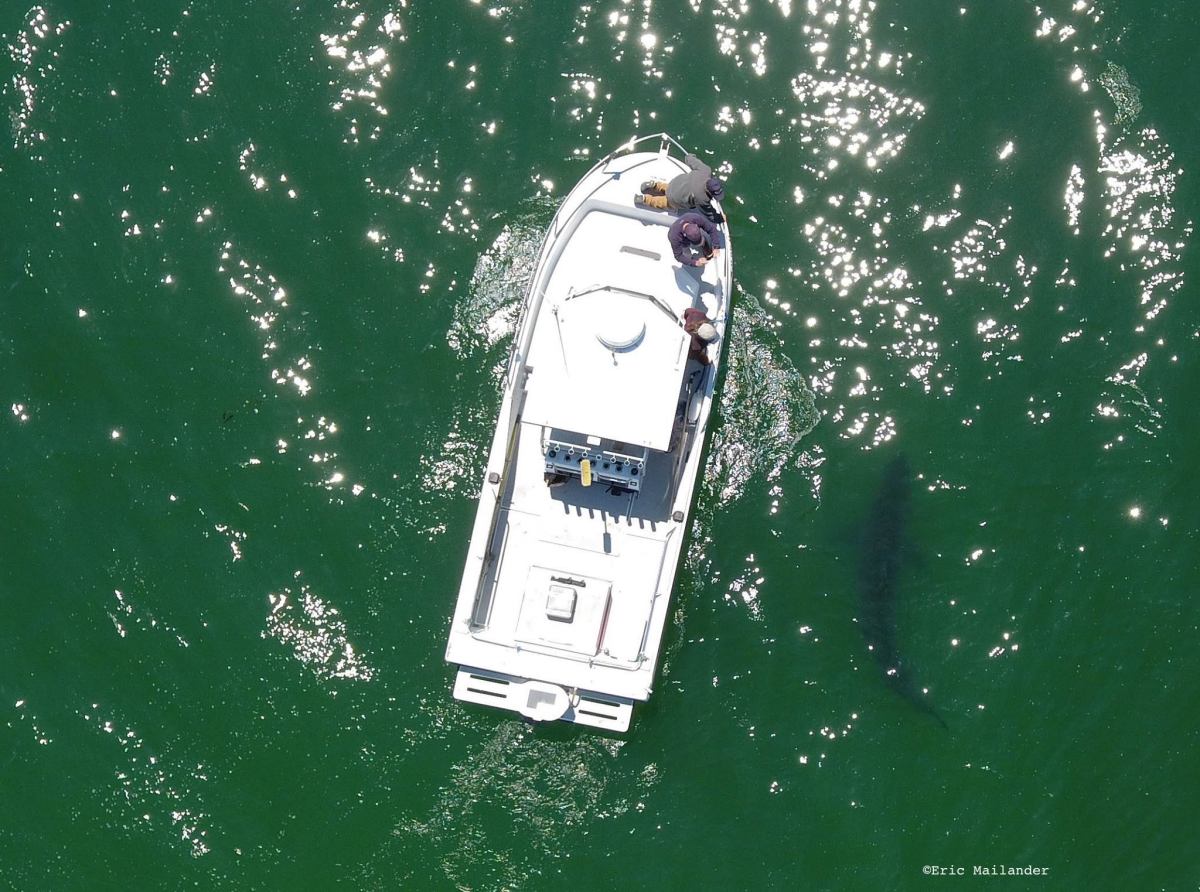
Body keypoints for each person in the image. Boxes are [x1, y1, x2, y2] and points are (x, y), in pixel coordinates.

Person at [636, 154, 726, 223]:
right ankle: (645, 200)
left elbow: (689, 158)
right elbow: (709, 214)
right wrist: (720, 218)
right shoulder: (702, 198)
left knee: (667, 187)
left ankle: (654, 185)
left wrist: (691, 155)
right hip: (674, 199)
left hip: (675, 183)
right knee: (663, 202)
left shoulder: (705, 170)